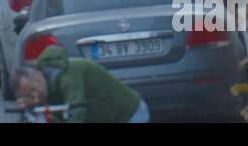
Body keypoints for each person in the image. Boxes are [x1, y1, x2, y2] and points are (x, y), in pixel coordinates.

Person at [13, 46, 150, 123]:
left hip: (130, 112)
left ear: (38, 75)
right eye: (29, 95)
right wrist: (31, 108)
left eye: (33, 89)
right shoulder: (48, 83)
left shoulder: (69, 74)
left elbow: (78, 112)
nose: (36, 96)